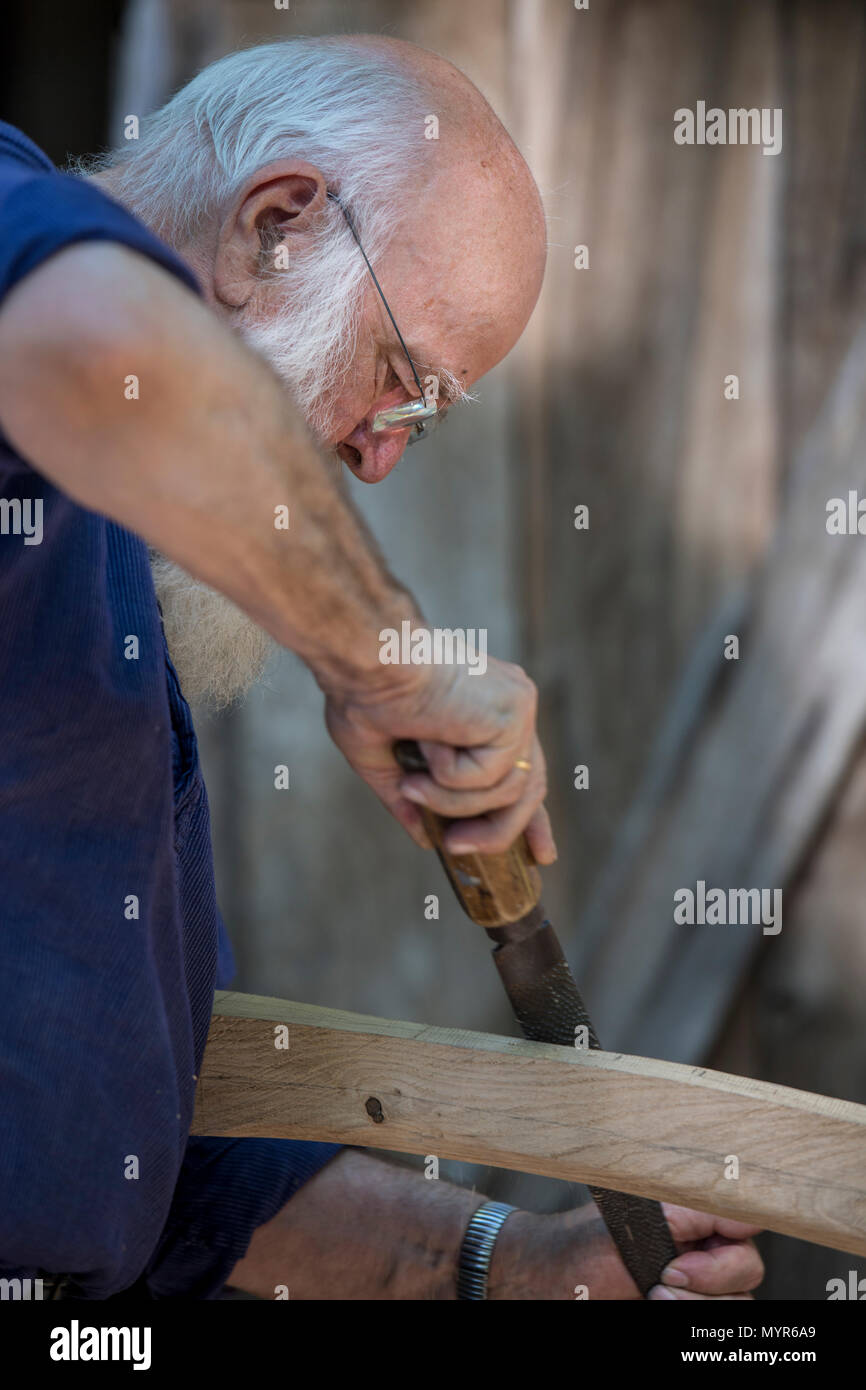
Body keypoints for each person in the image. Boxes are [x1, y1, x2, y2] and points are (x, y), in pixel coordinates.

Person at [0, 35, 762, 1300]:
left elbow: (171, 1171)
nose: (377, 461)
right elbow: (84, 339)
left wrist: (511, 1262)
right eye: (399, 389)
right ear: (275, 227)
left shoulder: (117, 624)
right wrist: (382, 658)